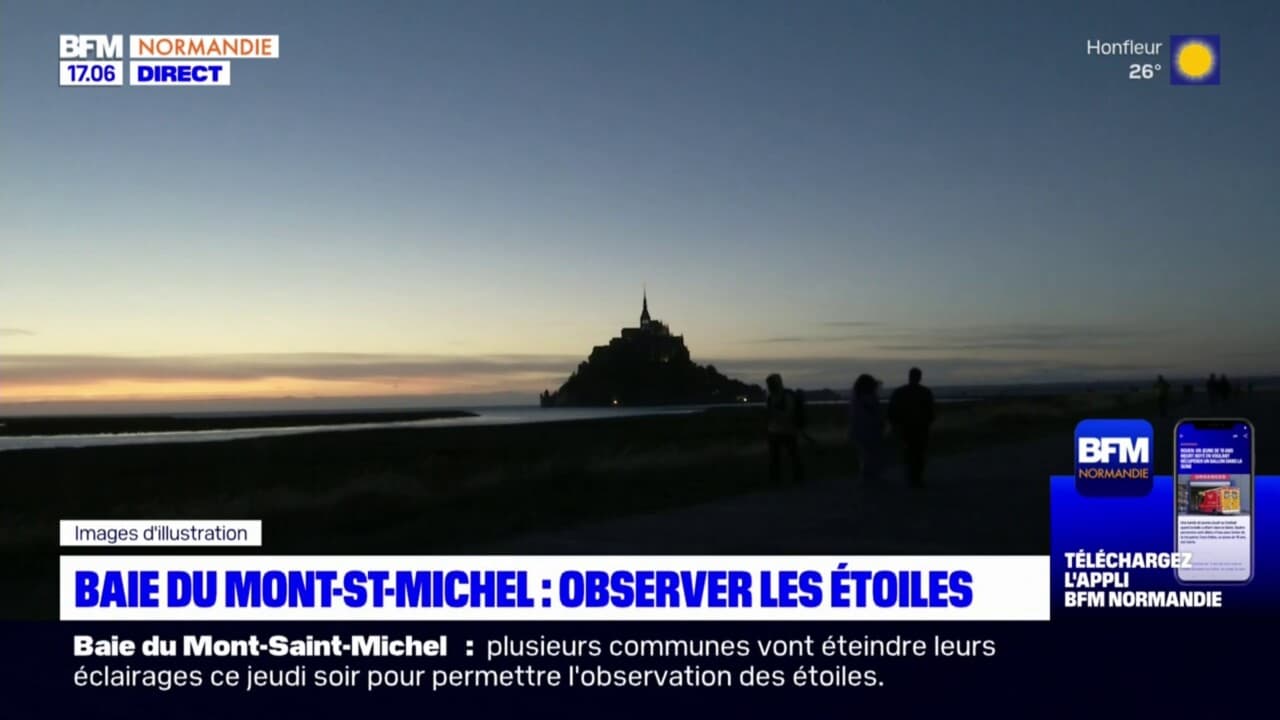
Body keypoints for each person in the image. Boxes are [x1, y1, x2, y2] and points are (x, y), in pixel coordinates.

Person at [888, 367, 935, 488]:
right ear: (919, 377)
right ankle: (916, 478)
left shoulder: (899, 392)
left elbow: (892, 411)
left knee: (909, 453)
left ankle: (911, 477)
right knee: (918, 453)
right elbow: (931, 411)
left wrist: (895, 425)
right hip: (919, 428)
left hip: (906, 428)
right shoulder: (925, 392)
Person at [765, 373, 803, 485]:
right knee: (778, 458)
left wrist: (775, 414)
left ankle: (796, 478)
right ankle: (777, 480)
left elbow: (788, 414)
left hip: (785, 431)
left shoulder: (785, 396)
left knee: (791, 457)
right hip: (778, 431)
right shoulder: (773, 397)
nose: (770, 386)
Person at [849, 374, 884, 484]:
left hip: (858, 431)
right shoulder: (869, 398)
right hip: (870, 430)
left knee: (864, 455)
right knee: (871, 455)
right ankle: (871, 477)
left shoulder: (855, 398)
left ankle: (866, 477)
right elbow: (876, 413)